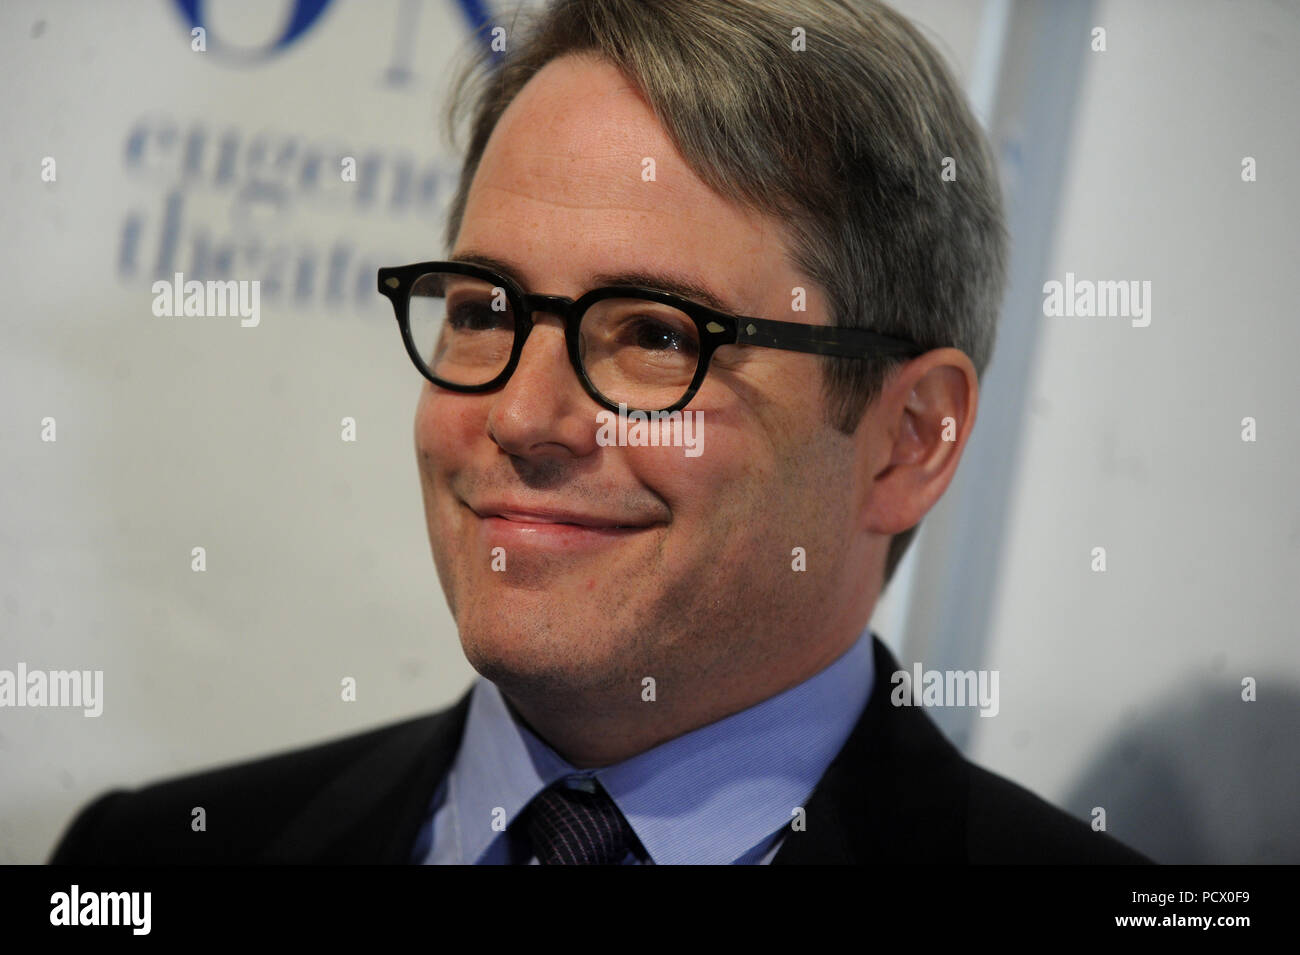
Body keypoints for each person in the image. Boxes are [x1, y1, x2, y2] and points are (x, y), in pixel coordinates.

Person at [50, 0, 1148, 865]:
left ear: (909, 438)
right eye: (484, 311)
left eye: (655, 337)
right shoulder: (151, 856)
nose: (523, 418)